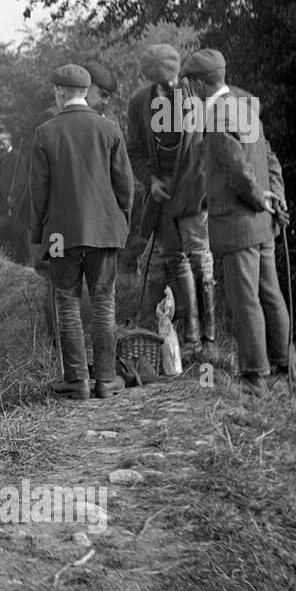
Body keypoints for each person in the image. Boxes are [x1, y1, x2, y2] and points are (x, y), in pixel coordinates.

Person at [184, 49, 294, 397]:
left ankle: (255, 377)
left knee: (246, 300)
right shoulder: (246, 104)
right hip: (263, 223)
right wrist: (275, 197)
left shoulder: (216, 116)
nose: (190, 91)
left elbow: (238, 173)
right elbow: (270, 157)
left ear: (201, 83)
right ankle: (285, 367)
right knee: (271, 295)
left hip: (237, 223)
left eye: (191, 84)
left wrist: (260, 196)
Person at [29, 64, 134, 400]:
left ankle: (76, 381)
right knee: (104, 304)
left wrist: (37, 234)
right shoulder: (110, 128)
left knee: (67, 303)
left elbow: (38, 193)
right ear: (87, 92)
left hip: (61, 236)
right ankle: (105, 380)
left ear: (59, 92)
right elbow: (126, 187)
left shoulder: (45, 132)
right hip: (104, 231)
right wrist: (122, 224)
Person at [126, 43, 216, 361]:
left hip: (193, 194)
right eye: (159, 83)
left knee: (200, 260)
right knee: (175, 259)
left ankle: (208, 338)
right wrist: (150, 180)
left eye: (172, 79)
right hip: (161, 195)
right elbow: (134, 150)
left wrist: (201, 186)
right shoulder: (139, 102)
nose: (167, 86)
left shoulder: (199, 99)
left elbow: (212, 147)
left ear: (179, 73)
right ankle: (186, 336)